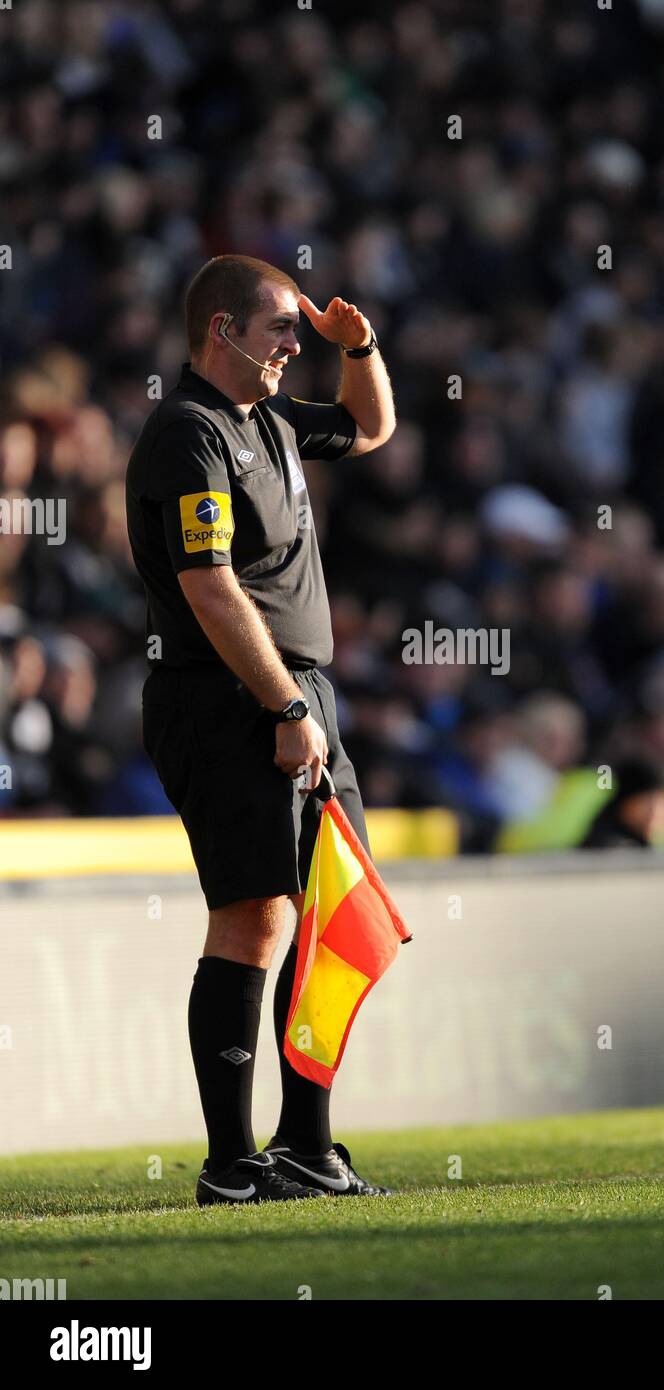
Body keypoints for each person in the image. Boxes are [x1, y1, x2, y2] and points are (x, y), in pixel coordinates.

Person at [125, 254, 397, 1204]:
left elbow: (370, 426)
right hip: (228, 701)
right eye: (283, 327)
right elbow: (208, 585)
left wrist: (356, 344)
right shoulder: (187, 435)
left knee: (333, 913)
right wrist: (283, 707)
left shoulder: (269, 420)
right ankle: (232, 1162)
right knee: (251, 916)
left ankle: (307, 1146)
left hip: (300, 695)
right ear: (223, 332)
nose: (296, 345)